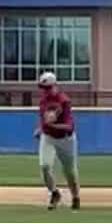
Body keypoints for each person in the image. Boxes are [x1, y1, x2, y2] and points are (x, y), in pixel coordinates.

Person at [35, 71, 81, 210]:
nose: (45, 91)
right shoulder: (43, 101)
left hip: (66, 139)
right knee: (45, 166)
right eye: (43, 88)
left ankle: (75, 196)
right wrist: (41, 128)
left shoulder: (64, 101)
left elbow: (69, 126)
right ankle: (54, 193)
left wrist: (51, 125)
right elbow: (43, 121)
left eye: (47, 88)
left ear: (55, 86)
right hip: (48, 137)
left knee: (70, 171)